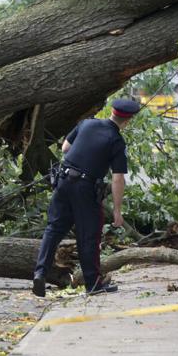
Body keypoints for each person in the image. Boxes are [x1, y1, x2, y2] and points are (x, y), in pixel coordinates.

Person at [32, 98, 140, 297]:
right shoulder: (116, 140)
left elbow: (65, 147)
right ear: (127, 121)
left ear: (111, 112)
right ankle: (93, 284)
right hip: (85, 188)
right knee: (88, 235)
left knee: (54, 228)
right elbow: (118, 179)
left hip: (63, 181)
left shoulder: (87, 123)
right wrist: (117, 211)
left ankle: (40, 272)